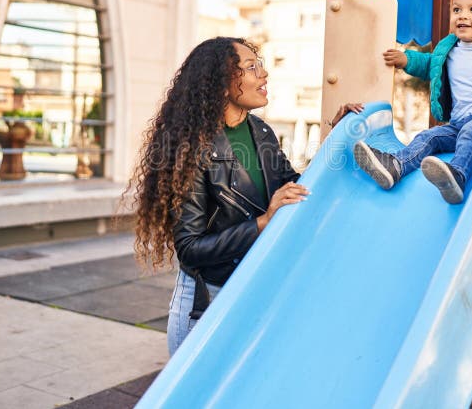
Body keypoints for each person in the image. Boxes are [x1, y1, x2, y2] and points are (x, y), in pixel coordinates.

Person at [129, 37, 360, 356]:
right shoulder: (193, 146)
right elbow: (190, 248)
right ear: (222, 83)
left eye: (261, 65)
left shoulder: (260, 131)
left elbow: (297, 189)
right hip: (208, 301)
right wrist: (263, 222)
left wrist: (337, 136)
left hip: (253, 288)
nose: (264, 75)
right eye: (252, 67)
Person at [353, 0, 472, 204]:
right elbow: (430, 65)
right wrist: (406, 59)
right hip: (458, 123)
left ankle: (457, 176)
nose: (462, 16)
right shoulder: (450, 49)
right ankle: (395, 167)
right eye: (456, 10)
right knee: (430, 136)